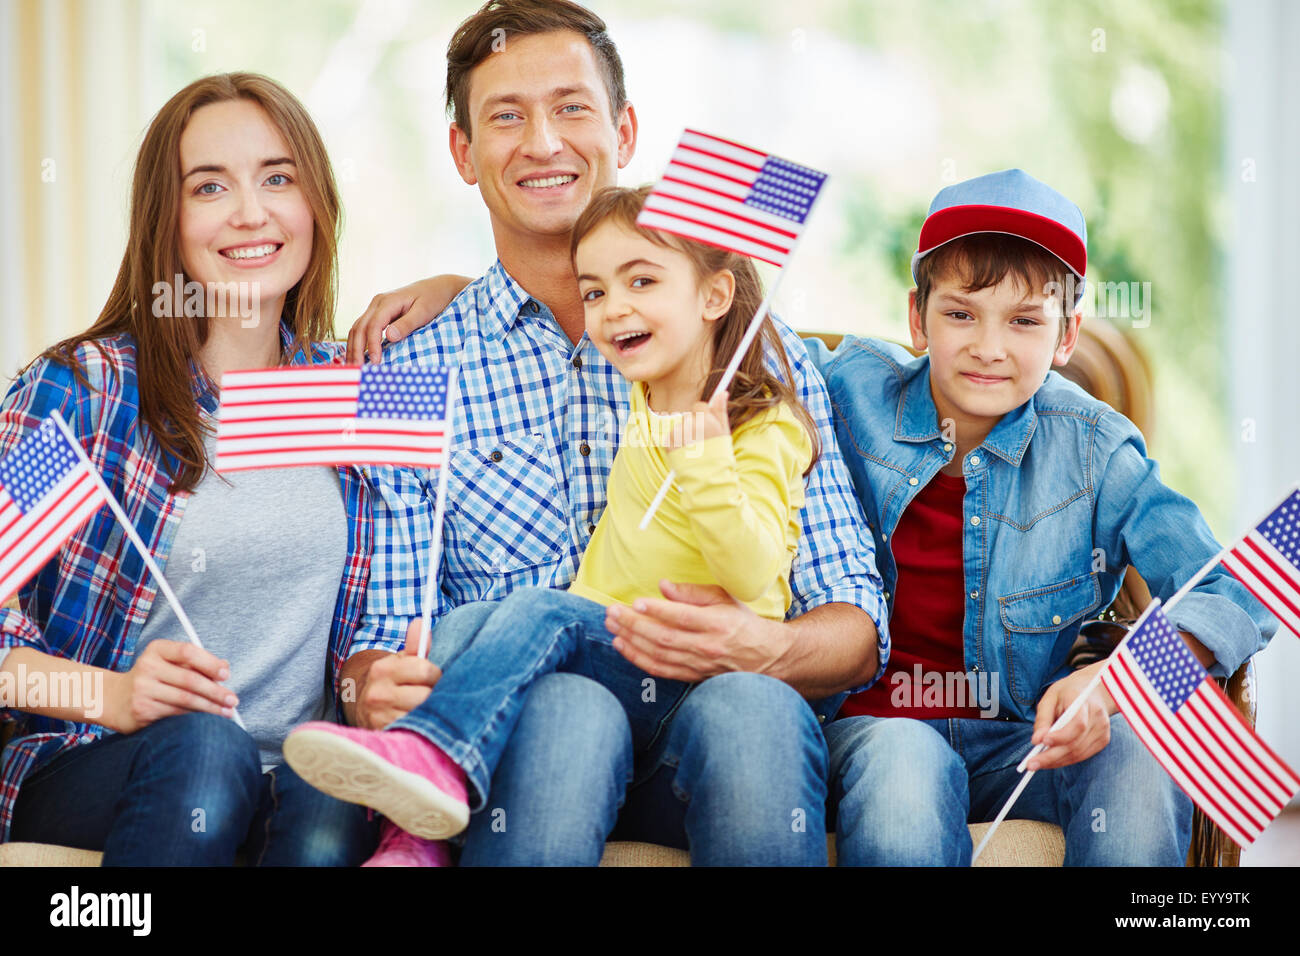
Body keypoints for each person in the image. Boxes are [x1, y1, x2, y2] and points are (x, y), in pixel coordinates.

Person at [342, 0, 889, 866]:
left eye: (571, 108)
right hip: (526, 737)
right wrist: (371, 684)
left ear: (624, 130)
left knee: (751, 705)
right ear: (463, 153)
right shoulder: (410, 367)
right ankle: (428, 779)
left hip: (707, 727)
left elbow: (856, 621)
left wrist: (767, 643)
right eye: (506, 117)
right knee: (570, 709)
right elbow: (378, 633)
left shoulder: (741, 358)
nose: (545, 143)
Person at [285, 183, 834, 865]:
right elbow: (548, 304)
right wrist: (457, 287)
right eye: (595, 292)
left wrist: (706, 460)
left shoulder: (764, 421)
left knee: (540, 610)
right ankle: (415, 827)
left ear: (715, 298)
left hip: (695, 671)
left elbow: (753, 572)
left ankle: (435, 753)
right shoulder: (644, 391)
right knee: (456, 629)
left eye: (640, 281)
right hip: (608, 660)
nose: (612, 308)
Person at [807, 168, 1277, 865]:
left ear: (1067, 334)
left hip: (1024, 743)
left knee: (1140, 750)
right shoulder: (849, 388)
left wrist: (1115, 683)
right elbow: (732, 346)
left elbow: (1235, 588)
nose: (989, 347)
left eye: (1024, 320)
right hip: (875, 739)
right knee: (905, 762)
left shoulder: (1094, 450)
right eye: (961, 313)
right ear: (917, 317)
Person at [0, 73, 389, 865]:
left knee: (336, 794)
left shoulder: (350, 399)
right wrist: (112, 695)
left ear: (315, 204)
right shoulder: (87, 390)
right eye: (210, 186)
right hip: (107, 764)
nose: (252, 211)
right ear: (166, 221)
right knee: (210, 750)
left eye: (278, 178)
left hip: (298, 778)